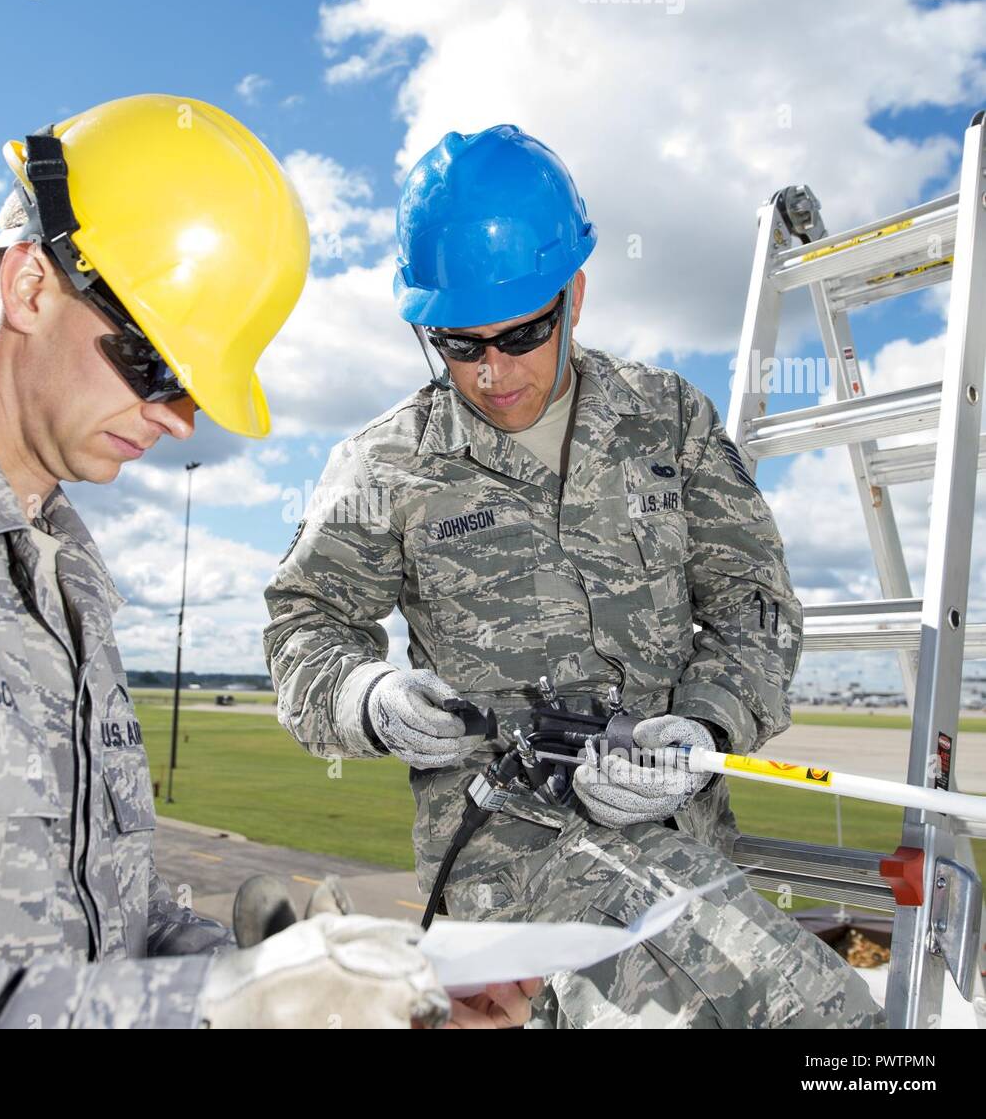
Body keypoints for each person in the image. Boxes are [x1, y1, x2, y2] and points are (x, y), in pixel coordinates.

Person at [0, 95, 512, 1029]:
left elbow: (102, 915)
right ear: (32, 285)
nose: (176, 420)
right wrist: (213, 1005)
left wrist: (307, 984)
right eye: (158, 367)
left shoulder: (73, 588)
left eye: (197, 393)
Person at [263, 124, 885, 1027]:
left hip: (681, 865)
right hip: (501, 895)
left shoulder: (666, 421)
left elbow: (757, 609)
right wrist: (366, 695)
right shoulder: (386, 464)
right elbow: (304, 624)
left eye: (522, 333)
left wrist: (704, 727)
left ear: (575, 294)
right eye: (458, 345)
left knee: (836, 1029)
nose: (494, 372)